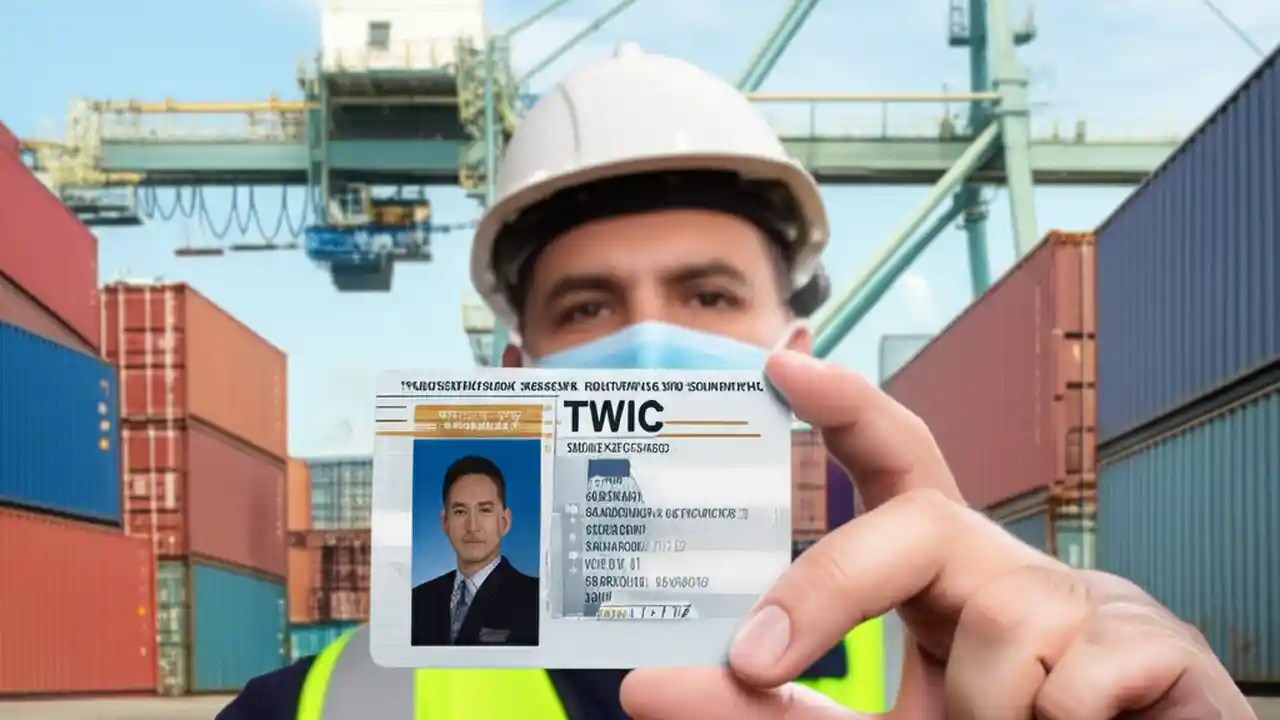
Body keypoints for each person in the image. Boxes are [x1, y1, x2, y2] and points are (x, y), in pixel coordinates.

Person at [216, 43, 1256, 720]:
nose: (652, 340)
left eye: (708, 297)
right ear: (516, 374)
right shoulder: (311, 706)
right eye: (587, 306)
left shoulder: (987, 673)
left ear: (794, 357)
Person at [412, 455, 538, 646]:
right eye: (460, 512)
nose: (472, 526)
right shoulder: (417, 600)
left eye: (485, 510)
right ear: (445, 523)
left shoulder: (535, 600)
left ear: (504, 522)